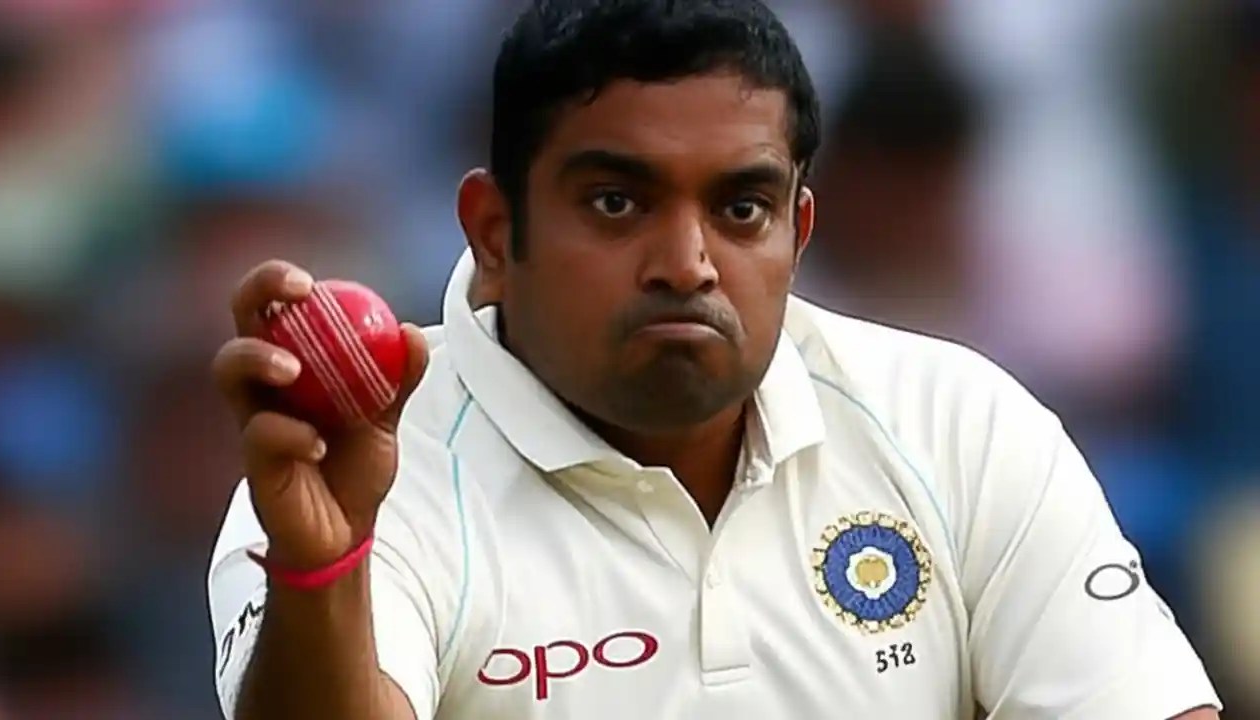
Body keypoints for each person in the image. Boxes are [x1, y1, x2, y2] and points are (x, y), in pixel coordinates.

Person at [206, 1, 1223, 718]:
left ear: (799, 228)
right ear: (491, 229)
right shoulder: (362, 471)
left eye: (740, 208)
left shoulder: (956, 421)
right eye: (617, 202)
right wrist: (321, 567)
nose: (686, 265)